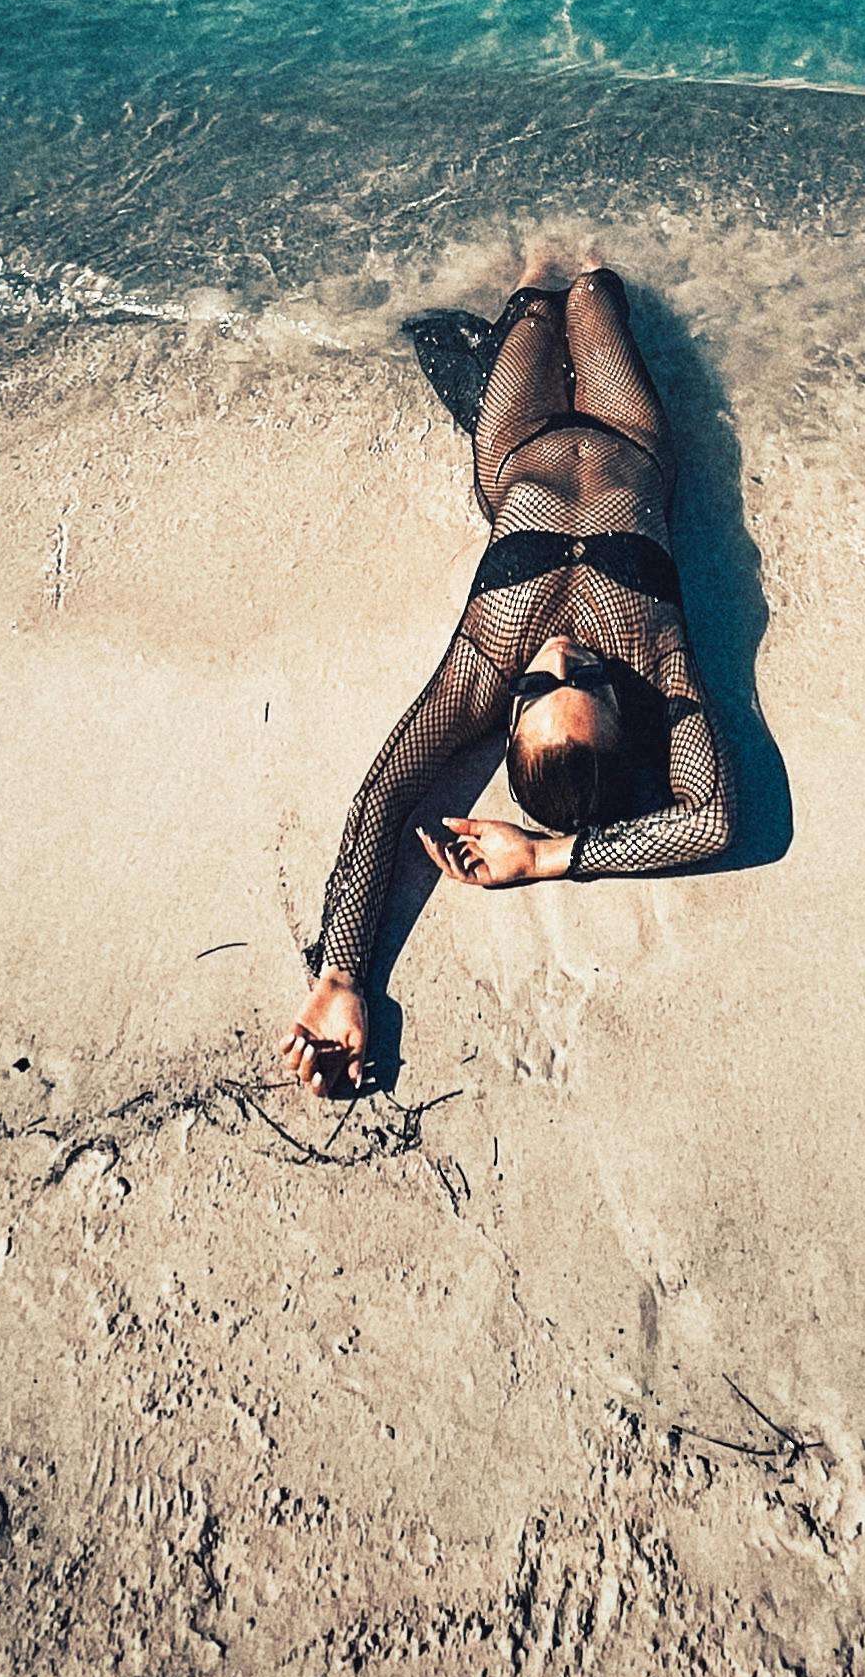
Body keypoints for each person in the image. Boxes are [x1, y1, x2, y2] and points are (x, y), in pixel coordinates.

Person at [282, 264, 735, 1096]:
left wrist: (342, 975)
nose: (559, 651)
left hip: (517, 449)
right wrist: (550, 859)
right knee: (596, 288)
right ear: (620, 708)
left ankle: (512, 299)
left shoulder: (484, 666)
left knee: (535, 294)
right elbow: (710, 822)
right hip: (630, 441)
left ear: (510, 714)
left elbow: (383, 795)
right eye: (587, 678)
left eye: (540, 688)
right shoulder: (656, 656)